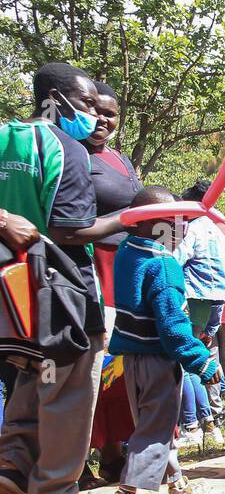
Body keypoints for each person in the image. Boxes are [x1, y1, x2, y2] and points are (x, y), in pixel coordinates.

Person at [0, 62, 126, 494]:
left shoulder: (3, 135)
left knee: (31, 377)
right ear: (57, 98)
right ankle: (54, 492)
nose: (95, 114)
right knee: (69, 388)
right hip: (61, 287)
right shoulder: (66, 148)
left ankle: (13, 467)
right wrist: (129, 220)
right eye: (88, 102)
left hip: (9, 296)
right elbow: (71, 229)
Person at [103, 186, 214, 494]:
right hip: (157, 360)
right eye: (177, 222)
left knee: (155, 426)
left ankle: (178, 489)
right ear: (155, 224)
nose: (182, 229)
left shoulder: (126, 252)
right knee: (154, 431)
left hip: (132, 359)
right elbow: (173, 327)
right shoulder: (164, 266)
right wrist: (202, 362)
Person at [175, 178, 225, 447]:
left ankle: (194, 424)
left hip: (194, 300)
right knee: (205, 359)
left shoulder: (190, 230)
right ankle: (211, 423)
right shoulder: (220, 233)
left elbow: (175, 260)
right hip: (216, 303)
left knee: (187, 364)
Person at [83, 81, 143, 335]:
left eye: (109, 115)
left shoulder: (121, 158)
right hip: (96, 264)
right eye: (95, 112)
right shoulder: (76, 154)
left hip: (127, 264)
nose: (102, 120)